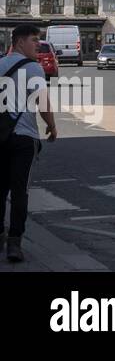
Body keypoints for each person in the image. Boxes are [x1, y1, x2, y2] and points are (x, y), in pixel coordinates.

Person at [0, 24, 57, 263]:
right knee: (20, 191)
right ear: (20, 42)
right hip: (23, 137)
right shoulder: (32, 67)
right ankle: (15, 243)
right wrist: (52, 126)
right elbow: (42, 102)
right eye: (34, 40)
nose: (38, 44)